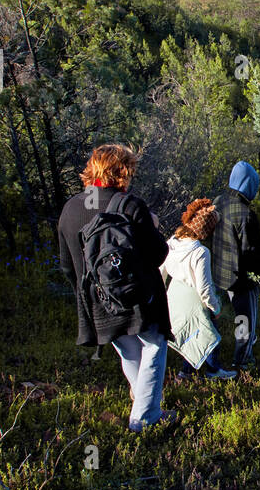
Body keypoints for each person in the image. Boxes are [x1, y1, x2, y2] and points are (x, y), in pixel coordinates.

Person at [57, 143, 174, 431]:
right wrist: (154, 225)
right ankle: (145, 418)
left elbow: (66, 265)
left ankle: (144, 402)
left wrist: (87, 295)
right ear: (123, 171)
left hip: (97, 301)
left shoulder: (70, 209)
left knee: (129, 350)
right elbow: (158, 253)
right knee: (154, 344)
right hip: (136, 298)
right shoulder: (129, 205)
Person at [162, 199, 237, 380]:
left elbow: (161, 271)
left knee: (189, 335)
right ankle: (213, 370)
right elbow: (204, 287)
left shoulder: (172, 242)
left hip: (173, 295)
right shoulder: (200, 252)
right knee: (211, 334)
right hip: (193, 298)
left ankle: (186, 372)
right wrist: (215, 308)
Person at [210, 161, 260, 372]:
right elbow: (252, 254)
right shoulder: (246, 214)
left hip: (219, 274)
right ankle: (242, 362)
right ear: (249, 185)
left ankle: (213, 360)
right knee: (244, 322)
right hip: (242, 280)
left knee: (224, 318)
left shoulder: (219, 202)